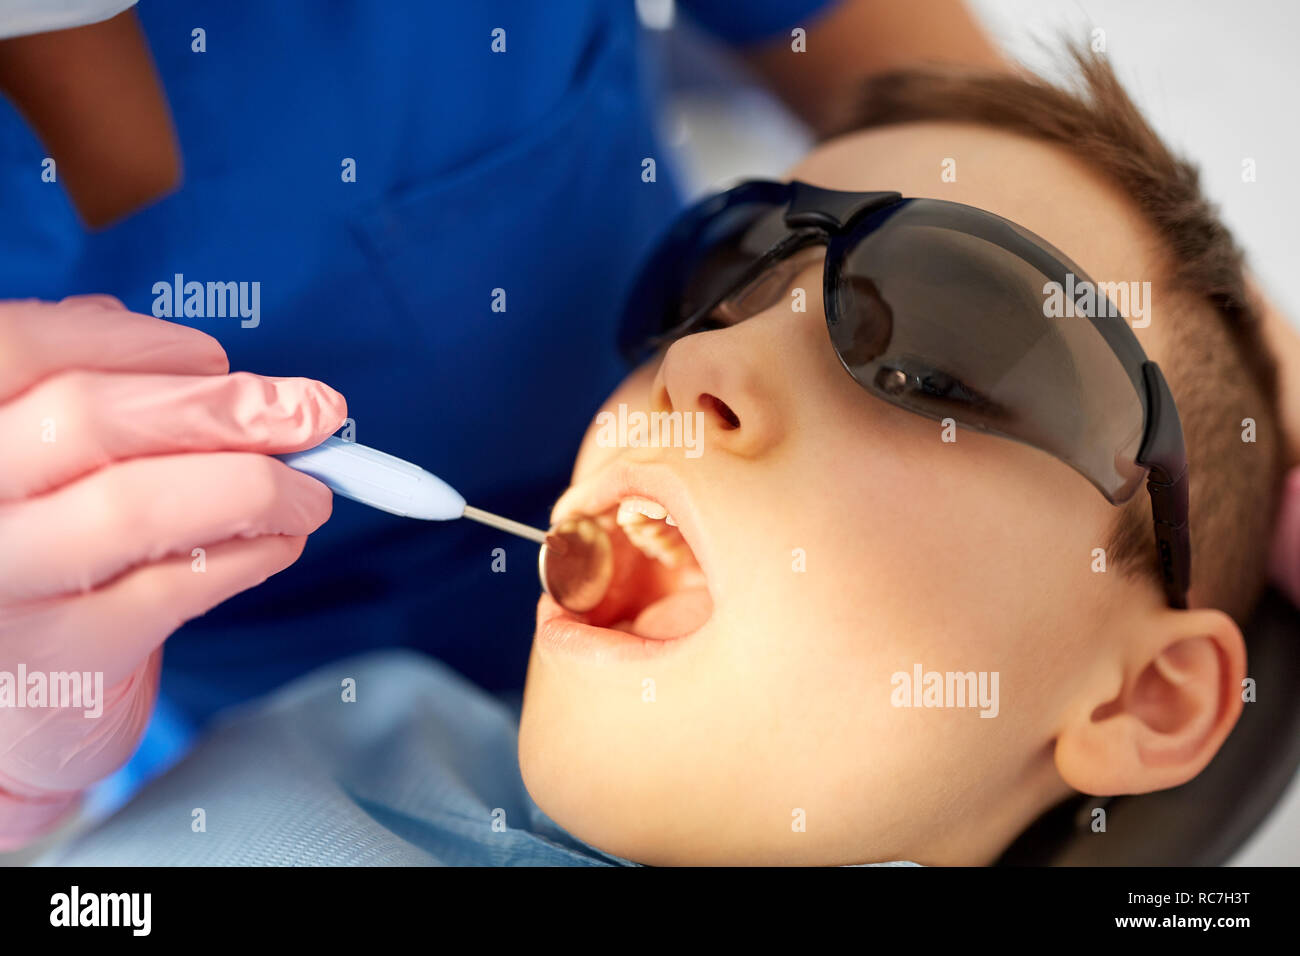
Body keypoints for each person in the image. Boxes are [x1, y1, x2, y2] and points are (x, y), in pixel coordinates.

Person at [42, 45, 1298, 866]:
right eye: (720, 278)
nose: (700, 366)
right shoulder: (344, 739)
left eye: (942, 360)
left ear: (1146, 699)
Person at [0, 1, 1007, 849]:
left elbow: (946, 123)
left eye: (927, 381)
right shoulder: (264, 801)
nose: (701, 351)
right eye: (738, 282)